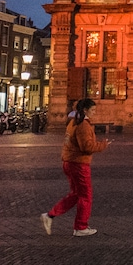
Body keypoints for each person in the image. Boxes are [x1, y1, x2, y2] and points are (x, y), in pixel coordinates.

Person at [41, 99, 111, 237]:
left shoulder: (72, 122)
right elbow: (86, 147)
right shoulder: (83, 125)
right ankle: (80, 227)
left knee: (76, 194)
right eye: (92, 110)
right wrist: (102, 145)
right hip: (79, 164)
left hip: (69, 161)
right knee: (86, 196)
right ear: (85, 110)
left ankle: (50, 215)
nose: (94, 113)